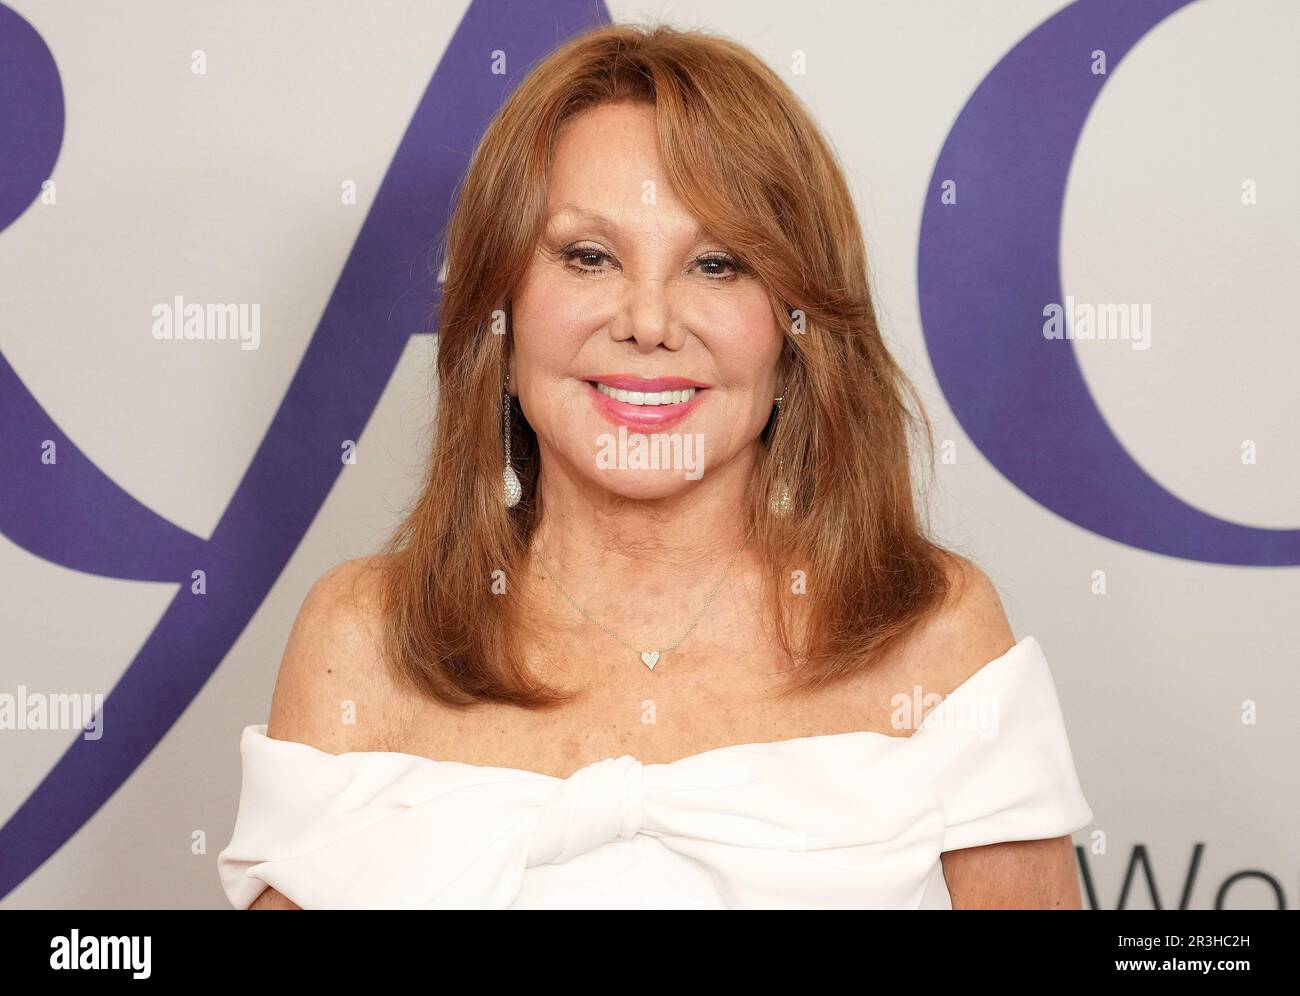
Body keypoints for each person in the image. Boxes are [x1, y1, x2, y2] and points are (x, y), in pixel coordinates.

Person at [217, 22, 1092, 909]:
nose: (647, 319)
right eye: (588, 256)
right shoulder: (365, 639)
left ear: (797, 330)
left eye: (716, 264)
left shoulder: (937, 640)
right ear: (501, 308)